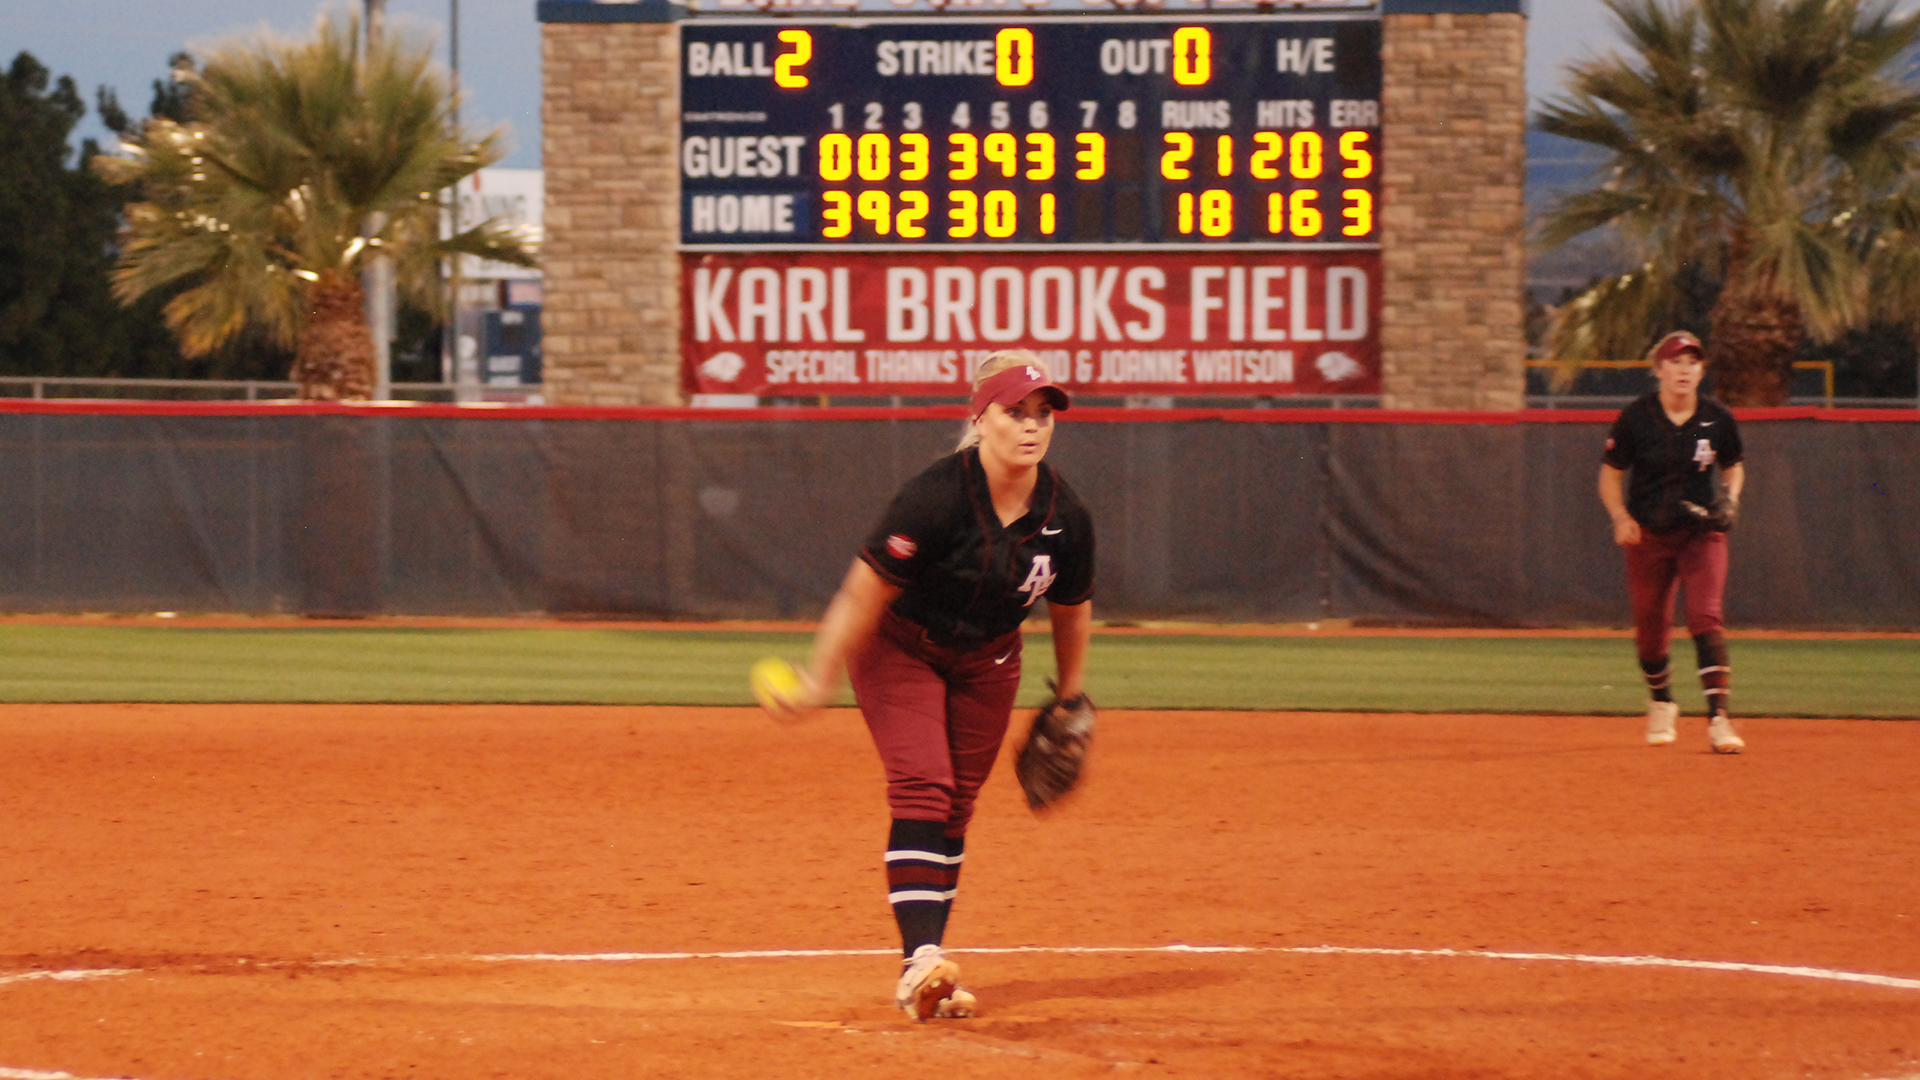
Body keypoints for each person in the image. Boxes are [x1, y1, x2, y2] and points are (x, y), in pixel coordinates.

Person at [763, 350, 1096, 1021]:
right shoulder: (936, 496)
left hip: (990, 661)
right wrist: (816, 679)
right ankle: (920, 962)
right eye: (1015, 412)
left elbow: (1071, 606)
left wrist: (1068, 695)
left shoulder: (1066, 516)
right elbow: (863, 592)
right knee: (923, 782)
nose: (1032, 426)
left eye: (1043, 413)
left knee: (956, 806)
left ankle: (929, 965)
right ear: (982, 418)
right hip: (899, 647)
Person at [1598, 330, 1747, 753]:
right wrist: (1620, 516)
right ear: (1659, 369)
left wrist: (1730, 500)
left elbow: (1734, 466)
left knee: (1706, 618)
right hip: (1648, 535)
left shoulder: (1717, 418)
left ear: (1701, 370)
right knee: (1650, 629)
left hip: (1701, 533)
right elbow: (1610, 473)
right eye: (1676, 362)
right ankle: (1662, 702)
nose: (1684, 370)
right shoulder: (1636, 418)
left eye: (1692, 362)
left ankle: (1719, 718)